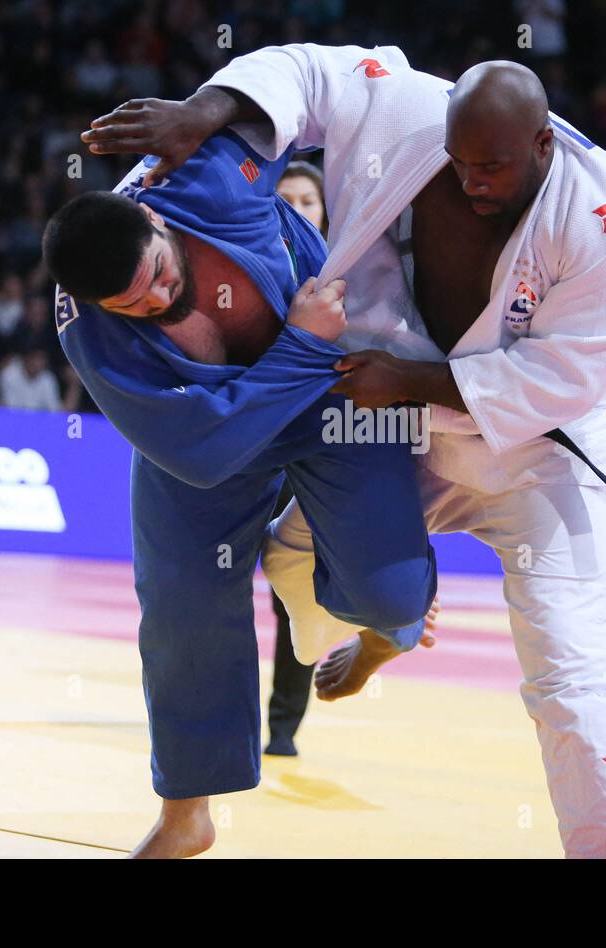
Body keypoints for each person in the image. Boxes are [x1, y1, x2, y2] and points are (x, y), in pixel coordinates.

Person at [83, 44, 606, 859]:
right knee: (281, 566)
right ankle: (236, 764)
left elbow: (564, 379)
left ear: (543, 147)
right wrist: (204, 111)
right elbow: (311, 72)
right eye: (459, 162)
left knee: (567, 667)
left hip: (545, 457)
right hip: (398, 416)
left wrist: (410, 380)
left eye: (492, 167)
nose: (471, 182)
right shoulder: (412, 115)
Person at [46, 117, 437, 857]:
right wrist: (298, 342)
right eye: (134, 304)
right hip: (210, 435)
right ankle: (185, 815)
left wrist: (213, 105)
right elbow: (201, 455)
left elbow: (307, 96)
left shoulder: (208, 176)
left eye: (159, 273)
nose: (157, 300)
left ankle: (385, 625)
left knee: (390, 594)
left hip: (332, 396)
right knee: (179, 602)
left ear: (154, 218)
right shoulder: (91, 336)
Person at [263, 159, 329, 757]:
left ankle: (283, 726)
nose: (296, 210)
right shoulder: (245, 278)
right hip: (254, 446)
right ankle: (220, 725)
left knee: (294, 593)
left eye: (307, 201)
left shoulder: (347, 280)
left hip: (316, 449)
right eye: (284, 199)